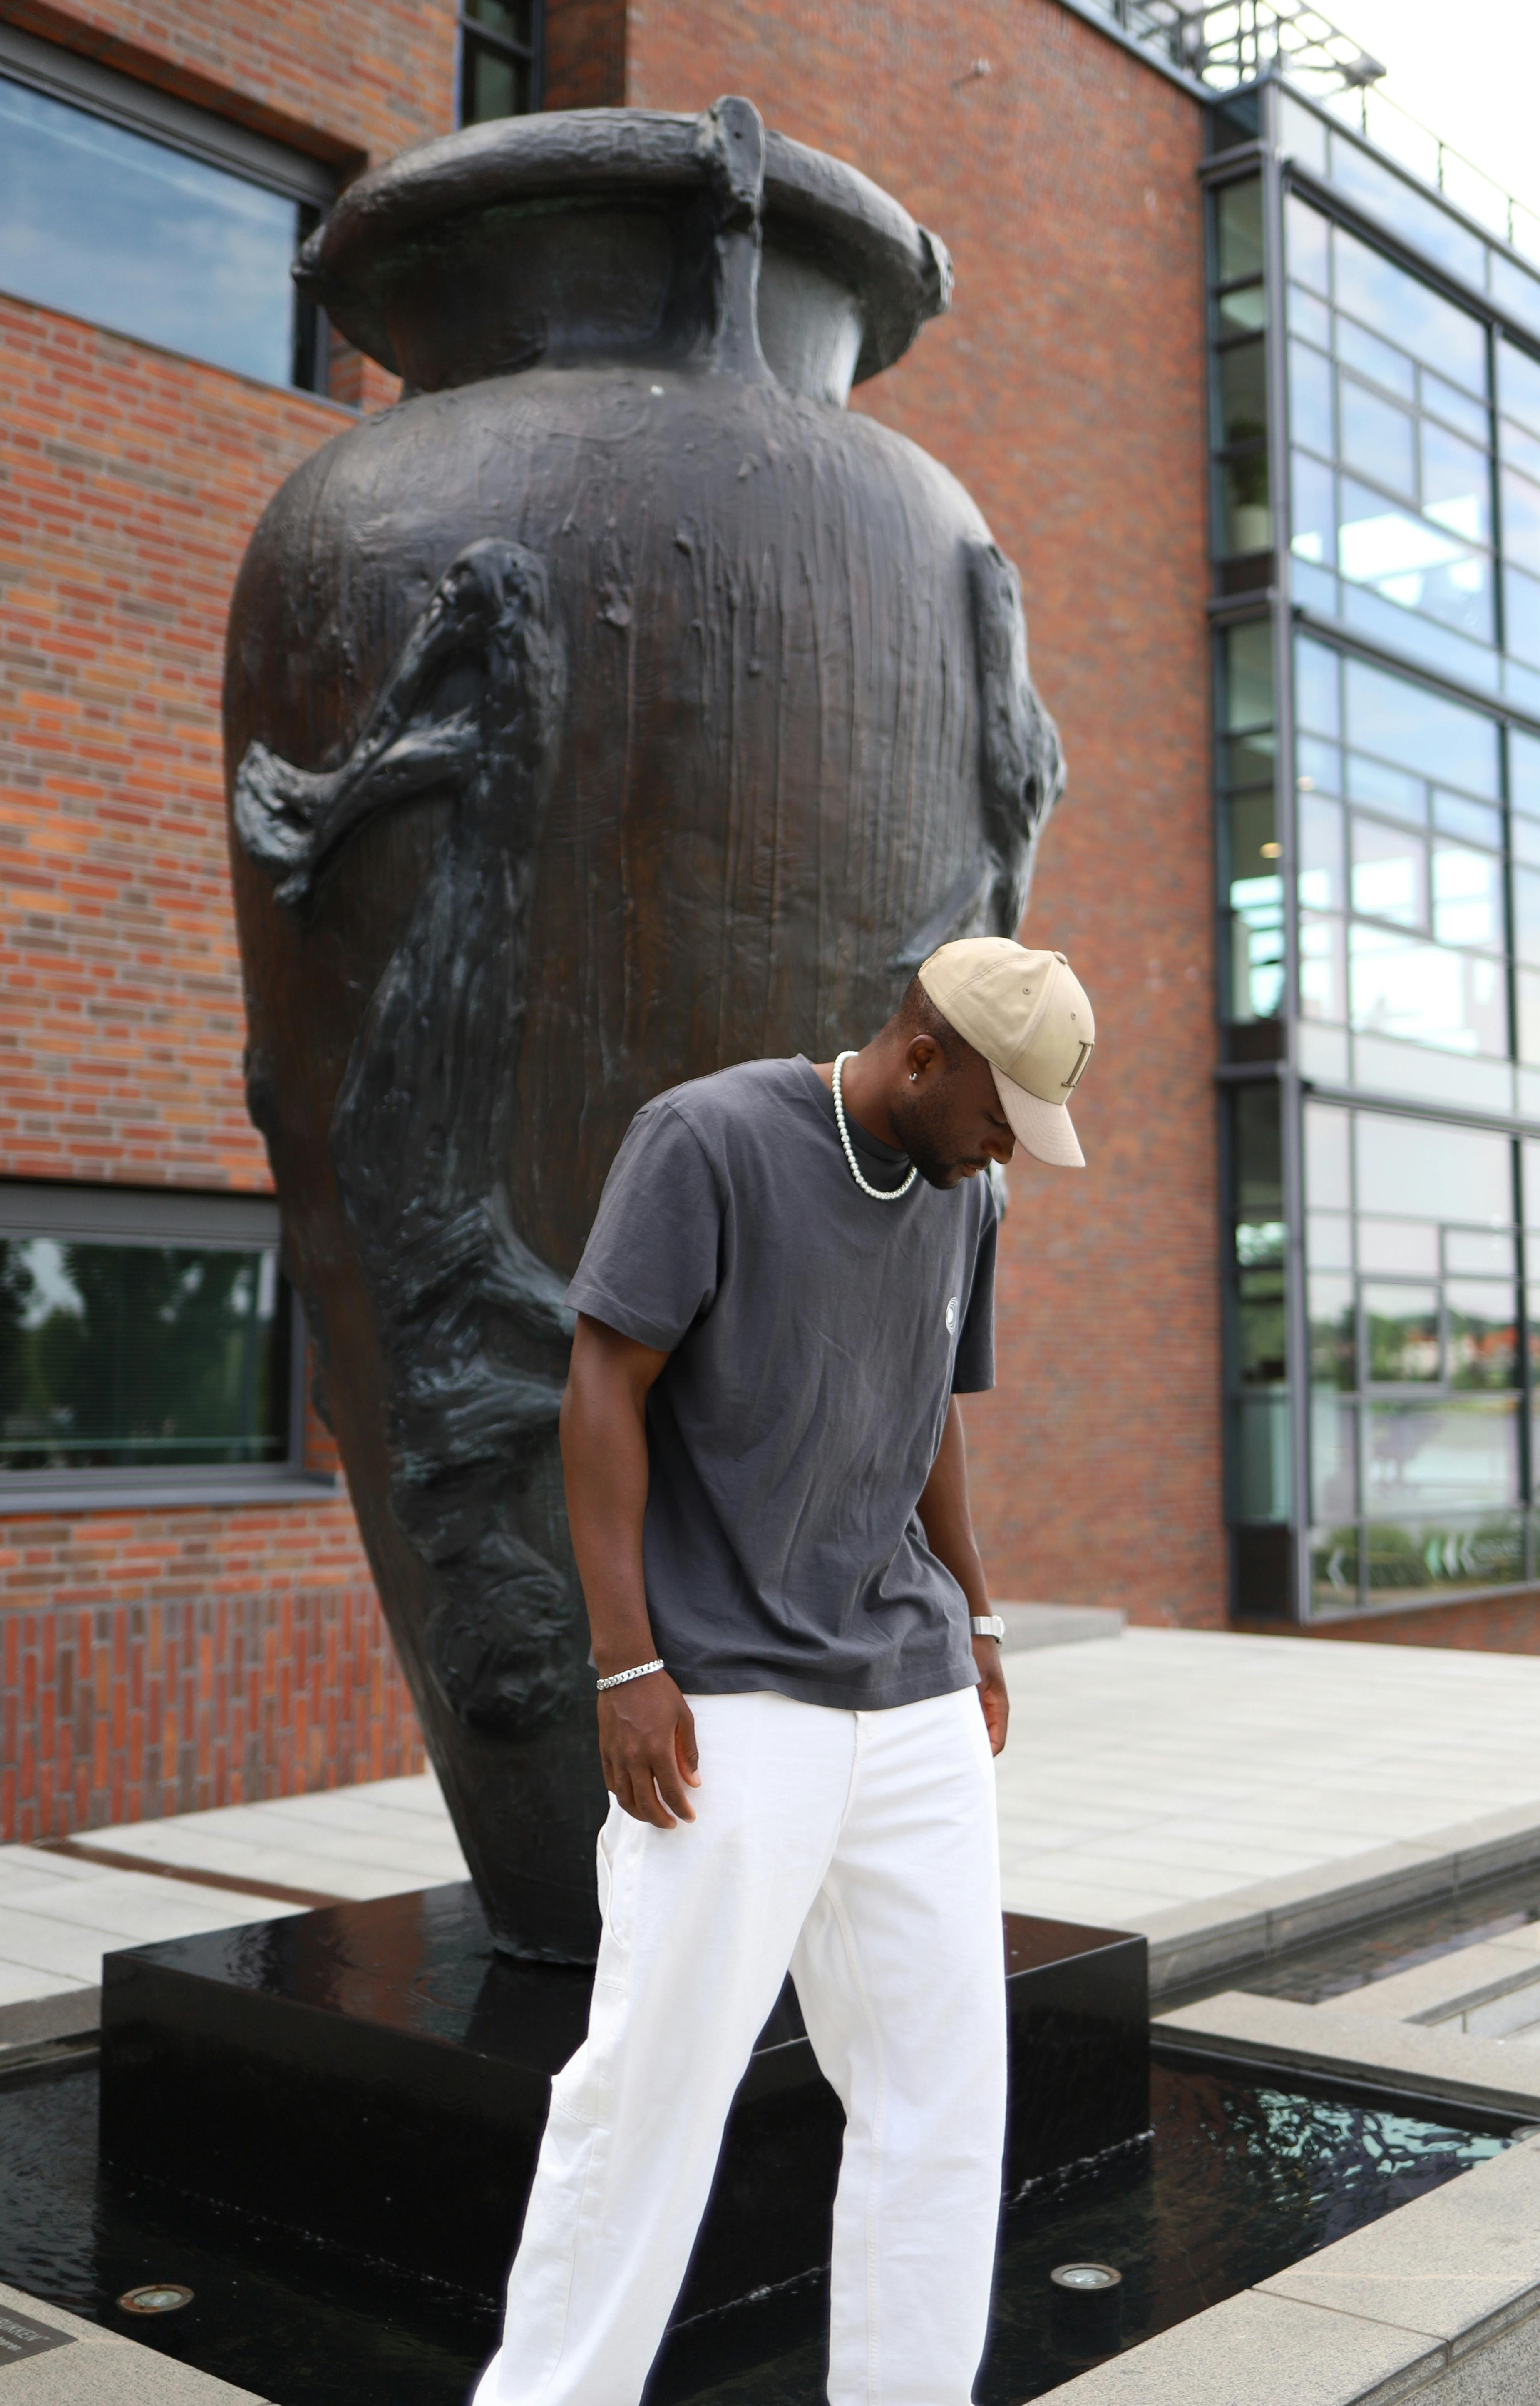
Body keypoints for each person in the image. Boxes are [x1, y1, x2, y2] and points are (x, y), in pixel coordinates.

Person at [471, 936, 1096, 2406]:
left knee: (943, 2099)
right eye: (1003, 1112)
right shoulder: (709, 1139)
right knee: (652, 2095)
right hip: (729, 1697)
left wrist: (982, 1618)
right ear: (925, 1052)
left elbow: (931, 1399)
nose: (1013, 1149)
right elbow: (600, 1386)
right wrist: (626, 1664)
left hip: (914, 1688)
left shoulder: (966, 1194)